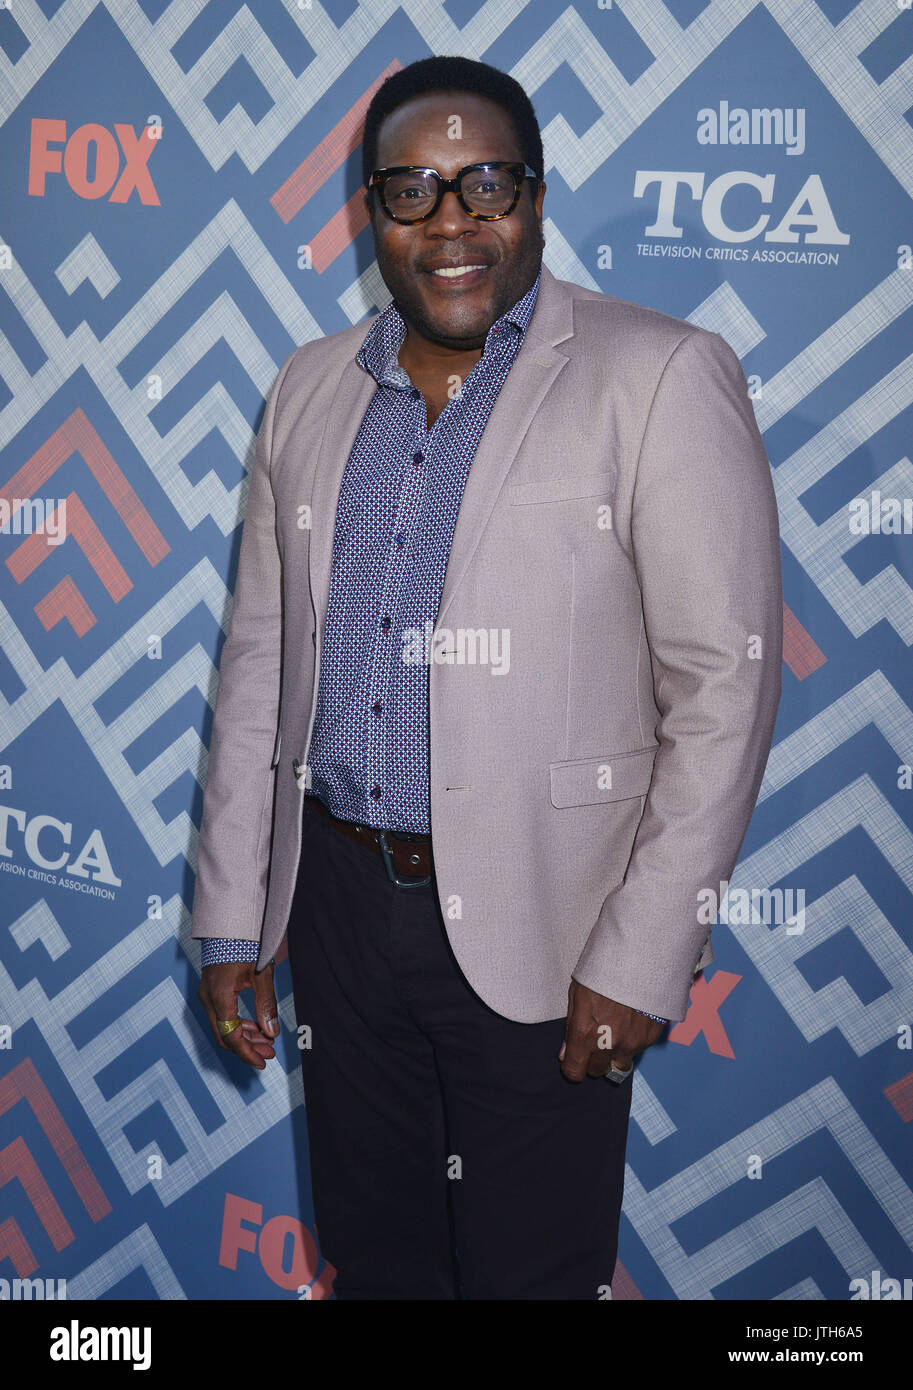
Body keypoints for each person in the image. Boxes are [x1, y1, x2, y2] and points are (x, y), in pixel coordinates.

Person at [191, 55, 782, 1299]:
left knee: (531, 1275)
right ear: (370, 212)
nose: (451, 220)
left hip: (549, 926)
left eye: (484, 182)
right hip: (341, 917)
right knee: (382, 1261)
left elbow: (720, 692)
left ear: (538, 193)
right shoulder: (306, 386)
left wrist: (638, 956)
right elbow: (262, 664)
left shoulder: (659, 374)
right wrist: (232, 915)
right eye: (412, 188)